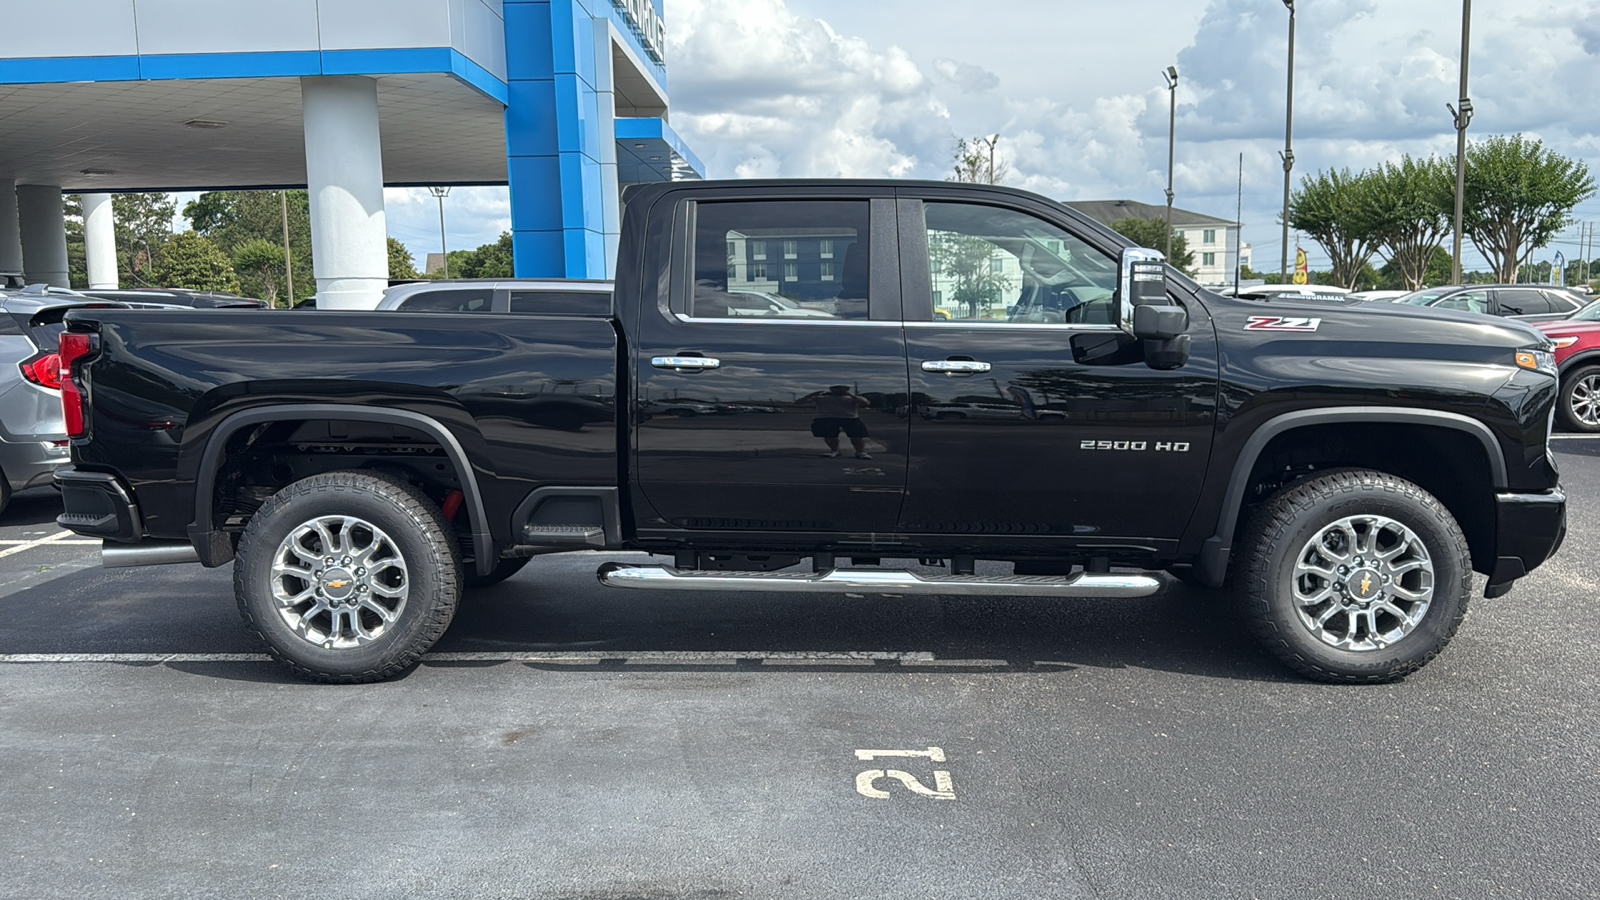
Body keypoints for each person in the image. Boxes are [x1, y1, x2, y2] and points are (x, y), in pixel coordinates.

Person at [799, 385, 873, 459]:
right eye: (835, 389)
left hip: (850, 418)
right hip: (827, 418)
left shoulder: (853, 398)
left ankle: (860, 452)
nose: (838, 391)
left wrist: (850, 395)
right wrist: (812, 394)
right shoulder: (821, 397)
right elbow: (798, 402)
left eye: (841, 389)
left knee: (857, 435)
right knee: (830, 436)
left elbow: (865, 404)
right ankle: (834, 450)